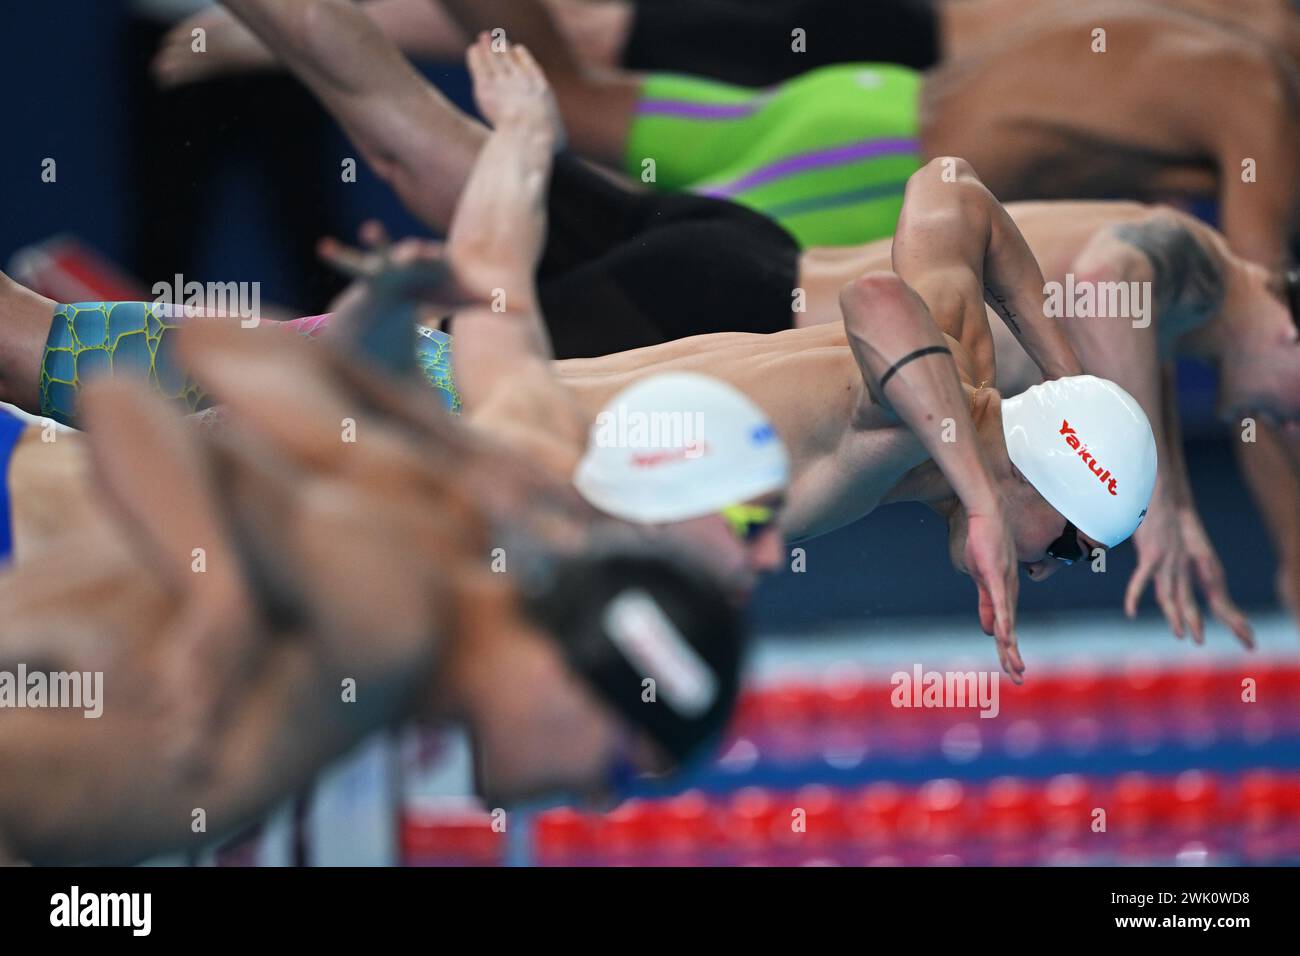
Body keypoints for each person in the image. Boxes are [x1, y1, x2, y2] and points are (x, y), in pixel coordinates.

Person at [0, 246, 749, 866]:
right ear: (572, 675)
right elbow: (123, 400)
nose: (599, 799)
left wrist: (424, 424)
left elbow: (213, 355)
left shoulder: (428, 565)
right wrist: (217, 591)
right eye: (614, 765)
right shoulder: (393, 611)